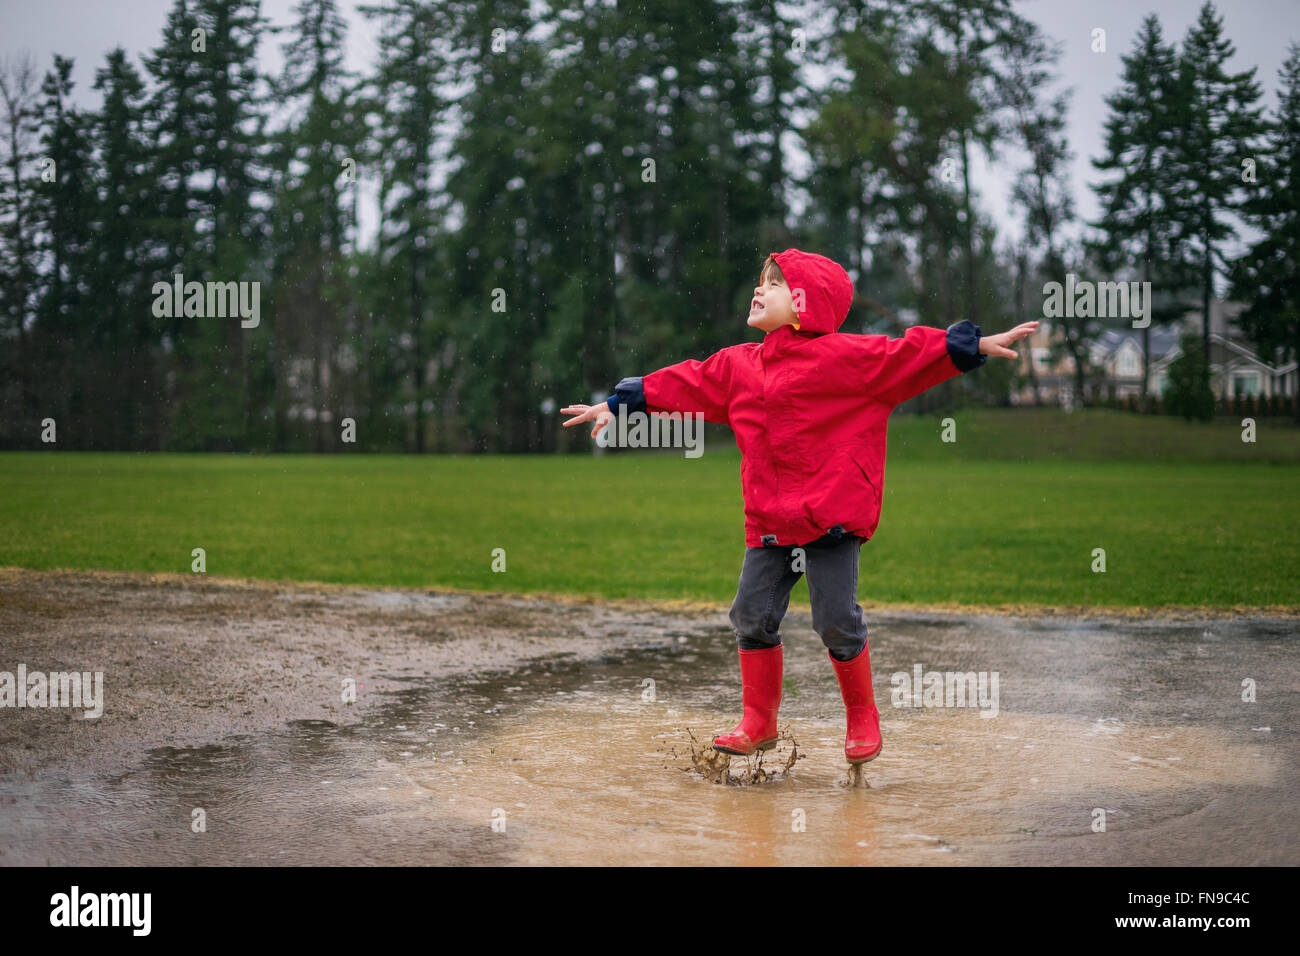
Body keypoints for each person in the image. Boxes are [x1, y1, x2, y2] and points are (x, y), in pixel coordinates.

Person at [562, 248, 1037, 764]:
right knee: (749, 615)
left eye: (774, 284)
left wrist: (970, 346)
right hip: (769, 524)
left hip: (831, 521)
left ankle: (862, 719)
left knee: (834, 619)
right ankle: (759, 722)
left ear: (807, 303)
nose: (759, 290)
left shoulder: (849, 359)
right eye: (759, 281)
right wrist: (619, 402)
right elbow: (687, 380)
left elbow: (905, 355)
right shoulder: (738, 366)